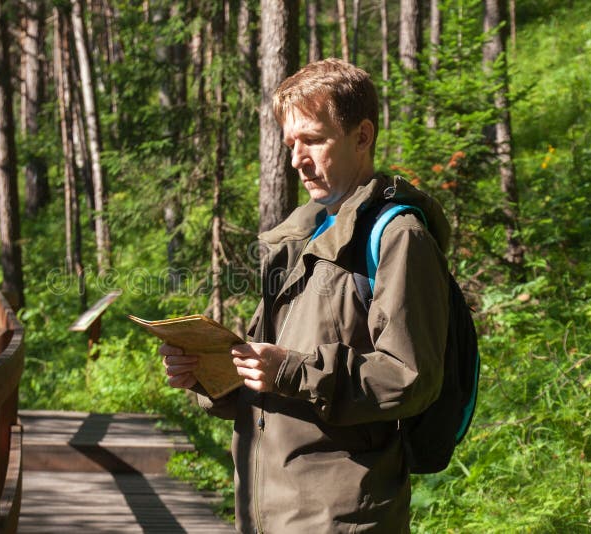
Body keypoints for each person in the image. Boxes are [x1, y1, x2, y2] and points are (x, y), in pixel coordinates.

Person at [160, 58, 451, 533]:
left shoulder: (398, 236)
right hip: (265, 510)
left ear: (362, 136)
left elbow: (411, 377)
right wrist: (205, 374)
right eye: (291, 143)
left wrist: (293, 371)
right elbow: (266, 379)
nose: (296, 159)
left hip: (339, 516)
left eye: (313, 139)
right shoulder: (298, 239)